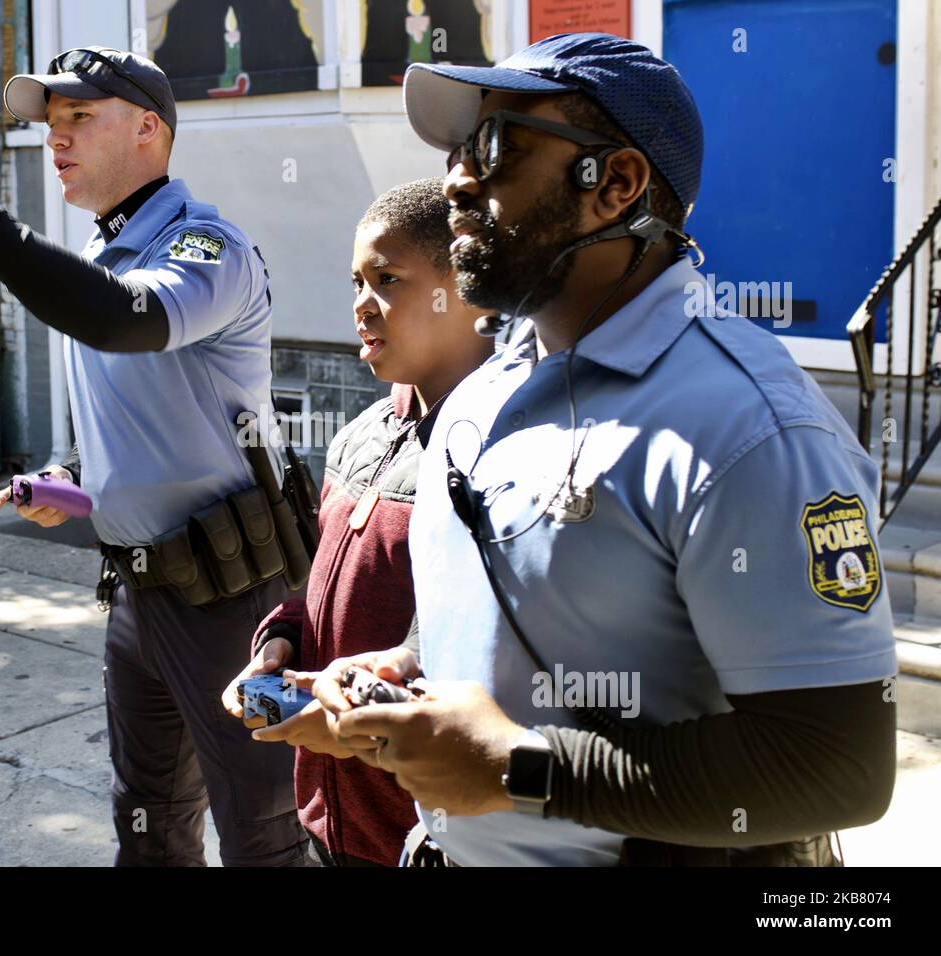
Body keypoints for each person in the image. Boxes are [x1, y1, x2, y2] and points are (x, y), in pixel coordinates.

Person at [310, 33, 897, 866]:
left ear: (615, 184)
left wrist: (518, 769)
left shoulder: (749, 427)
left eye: (496, 146)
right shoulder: (481, 390)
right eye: (456, 150)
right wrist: (397, 668)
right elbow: (494, 609)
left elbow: (835, 769)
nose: (456, 181)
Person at [0, 46, 308, 866]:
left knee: (263, 832)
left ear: (148, 129)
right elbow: (130, 416)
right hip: (137, 593)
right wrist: (68, 482)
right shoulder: (102, 260)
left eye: (78, 119)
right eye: (49, 123)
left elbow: (125, 319)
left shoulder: (207, 246)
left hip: (231, 600)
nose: (55, 139)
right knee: (148, 817)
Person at [221, 178, 494, 866]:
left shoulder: (502, 448)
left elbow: (471, 640)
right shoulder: (361, 435)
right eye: (356, 282)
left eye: (388, 279)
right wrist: (280, 641)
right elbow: (319, 586)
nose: (362, 307)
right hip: (327, 824)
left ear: (461, 285)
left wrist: (361, 711)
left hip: (422, 837)